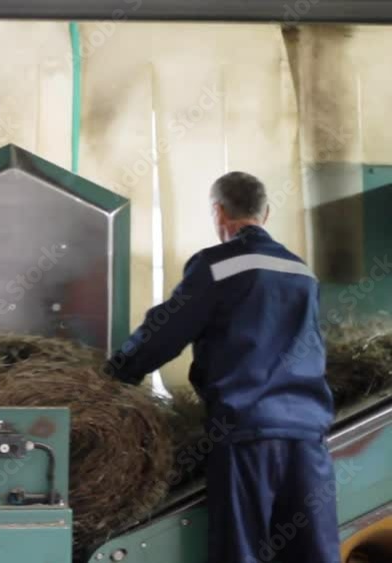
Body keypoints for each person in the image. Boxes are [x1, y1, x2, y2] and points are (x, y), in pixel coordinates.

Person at [104, 171, 339, 563]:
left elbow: (167, 330)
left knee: (242, 552)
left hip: (247, 432)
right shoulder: (302, 271)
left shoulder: (218, 266)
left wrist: (118, 373)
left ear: (218, 212)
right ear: (266, 212)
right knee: (312, 552)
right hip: (308, 434)